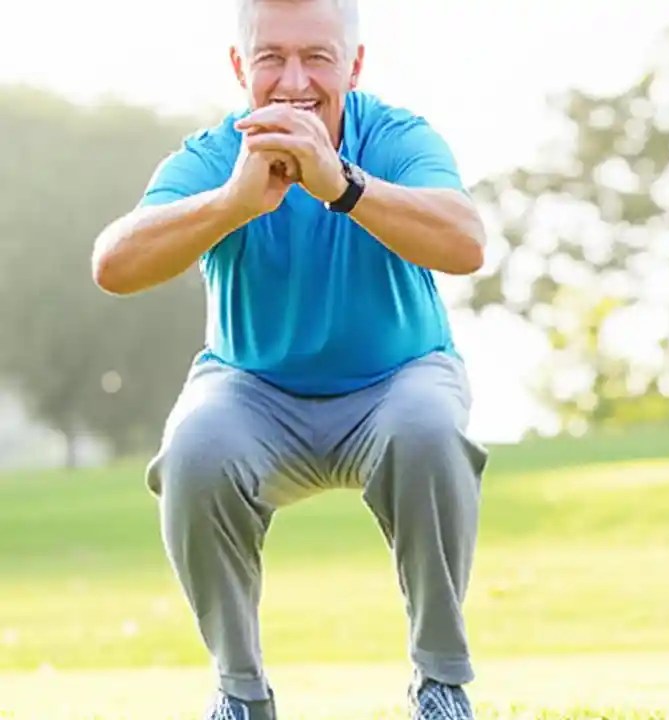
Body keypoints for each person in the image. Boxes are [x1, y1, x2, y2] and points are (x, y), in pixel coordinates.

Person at [89, 1, 488, 718]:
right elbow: (114, 264)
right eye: (270, 57)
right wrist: (233, 204)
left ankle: (440, 684)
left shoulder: (397, 137)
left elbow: (466, 243)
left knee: (429, 426)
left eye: (317, 56)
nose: (293, 80)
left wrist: (342, 185)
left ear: (354, 65)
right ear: (241, 68)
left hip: (398, 380)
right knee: (195, 449)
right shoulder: (213, 155)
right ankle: (240, 693)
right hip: (253, 390)